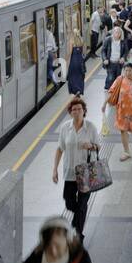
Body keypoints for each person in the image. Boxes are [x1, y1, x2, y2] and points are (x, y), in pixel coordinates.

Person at [53, 96, 101, 238]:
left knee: (81, 204)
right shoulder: (65, 128)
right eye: (74, 109)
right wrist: (54, 169)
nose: (77, 111)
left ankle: (77, 235)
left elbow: (98, 146)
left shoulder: (90, 127)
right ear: (70, 112)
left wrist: (90, 146)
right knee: (69, 202)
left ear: (84, 111)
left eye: (79, 109)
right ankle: (77, 223)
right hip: (70, 172)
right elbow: (60, 149)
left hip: (86, 172)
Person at [103, 25, 130, 90]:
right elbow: (103, 50)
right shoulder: (108, 40)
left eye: (119, 32)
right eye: (116, 32)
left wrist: (123, 57)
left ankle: (114, 89)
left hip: (119, 63)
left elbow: (126, 51)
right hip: (110, 62)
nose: (117, 34)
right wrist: (105, 59)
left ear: (121, 34)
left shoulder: (123, 41)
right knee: (111, 77)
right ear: (113, 32)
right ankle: (109, 89)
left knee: (117, 77)